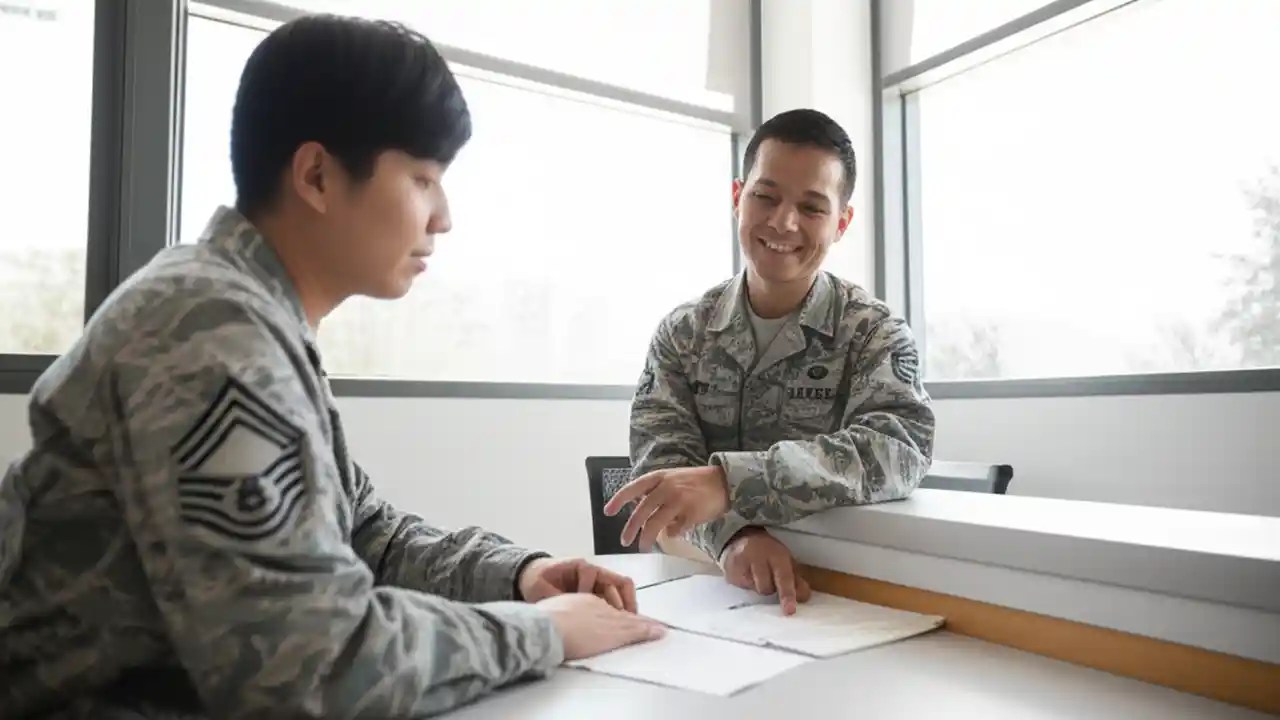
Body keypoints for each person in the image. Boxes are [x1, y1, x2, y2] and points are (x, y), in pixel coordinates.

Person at [0, 15, 664, 719]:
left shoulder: (248, 315)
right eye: (422, 179)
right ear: (317, 176)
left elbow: (366, 532)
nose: (442, 217)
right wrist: (540, 634)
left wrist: (521, 575)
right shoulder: (210, 337)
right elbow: (308, 663)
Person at [608, 109, 936, 615]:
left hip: (834, 597)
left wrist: (730, 482)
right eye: (766, 197)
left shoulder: (873, 332)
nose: (784, 222)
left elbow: (897, 450)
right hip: (699, 590)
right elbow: (664, 471)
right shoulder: (682, 334)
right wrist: (732, 538)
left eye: (812, 207)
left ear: (842, 222)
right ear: (737, 197)